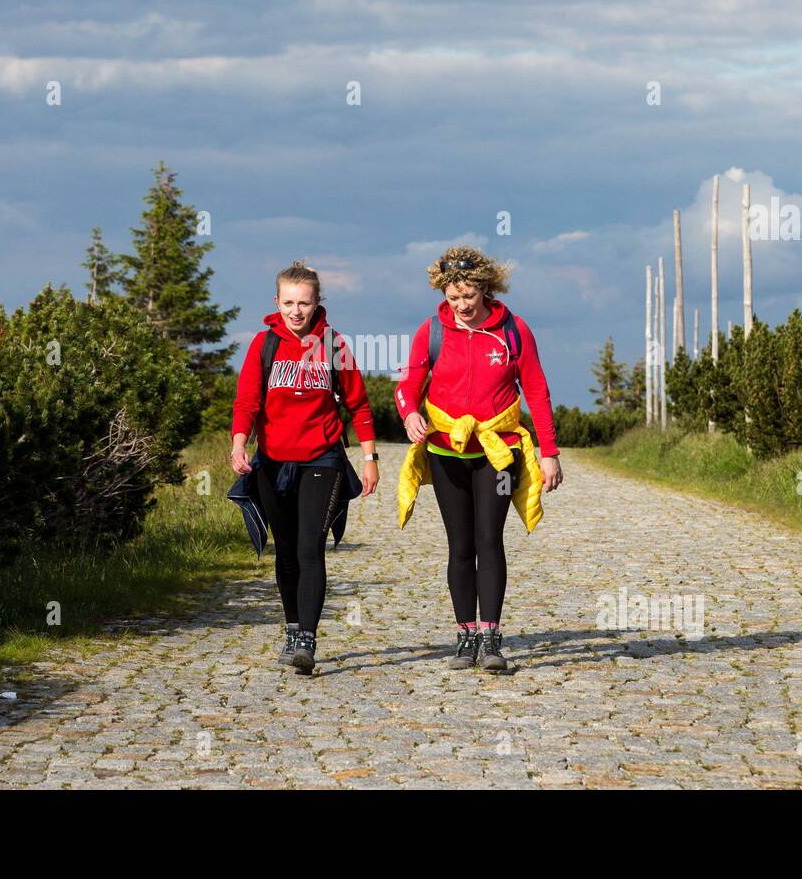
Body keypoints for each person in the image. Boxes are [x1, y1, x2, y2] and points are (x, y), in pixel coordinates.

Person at [396, 245, 562, 672]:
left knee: (489, 539)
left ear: (486, 289)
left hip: (498, 453)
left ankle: (491, 638)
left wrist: (549, 453)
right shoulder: (431, 332)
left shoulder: (514, 330)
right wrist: (410, 413)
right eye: (453, 297)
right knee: (460, 544)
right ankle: (465, 636)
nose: (461, 305)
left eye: (468, 296)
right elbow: (408, 385)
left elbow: (537, 390)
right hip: (445, 452)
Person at [230, 261, 379, 674]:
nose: (296, 311)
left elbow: (359, 406)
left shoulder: (333, 345)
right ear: (276, 302)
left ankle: (307, 641)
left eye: (305, 303)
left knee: (309, 547)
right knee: (286, 550)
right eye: (289, 303)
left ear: (317, 304)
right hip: (273, 462)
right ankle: (293, 627)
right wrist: (239, 444)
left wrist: (370, 459)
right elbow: (247, 402)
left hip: (322, 458)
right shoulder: (264, 345)